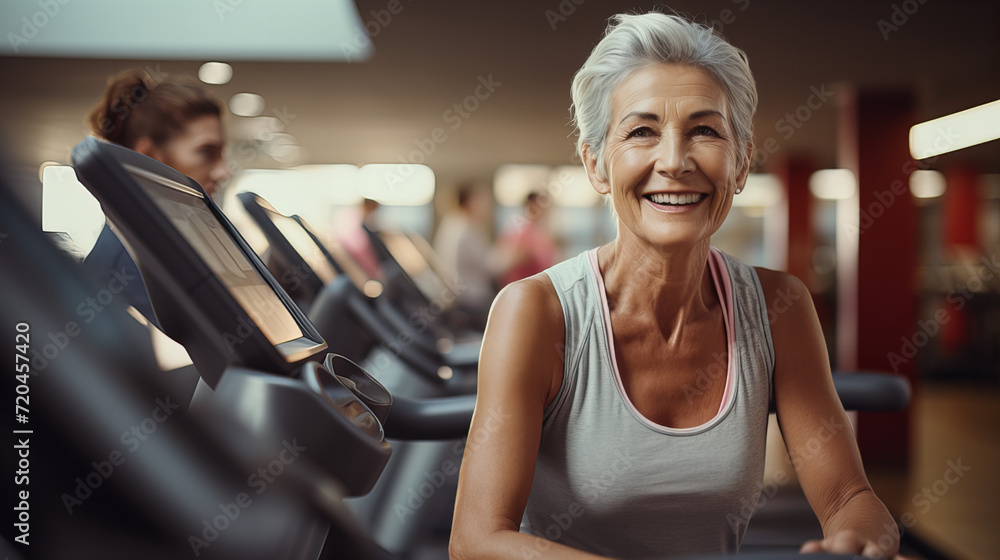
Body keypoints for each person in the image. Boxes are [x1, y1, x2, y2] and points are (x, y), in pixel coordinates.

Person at [450, 12, 900, 560]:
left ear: (739, 164)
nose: (674, 161)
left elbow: (850, 495)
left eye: (705, 131)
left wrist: (865, 543)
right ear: (596, 165)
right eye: (642, 132)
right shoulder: (536, 312)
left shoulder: (780, 307)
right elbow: (475, 542)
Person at [81, 68, 227, 325]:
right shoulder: (126, 264)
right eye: (206, 152)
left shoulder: (170, 250)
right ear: (147, 157)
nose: (222, 171)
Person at [433, 183, 501, 330]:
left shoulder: (451, 222)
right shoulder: (467, 229)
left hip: (458, 297)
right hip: (471, 301)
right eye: (482, 200)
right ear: (470, 202)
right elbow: (491, 265)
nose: (486, 205)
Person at [497, 191, 558, 287]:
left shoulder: (540, 232)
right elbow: (508, 262)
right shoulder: (520, 230)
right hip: (523, 287)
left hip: (538, 286)